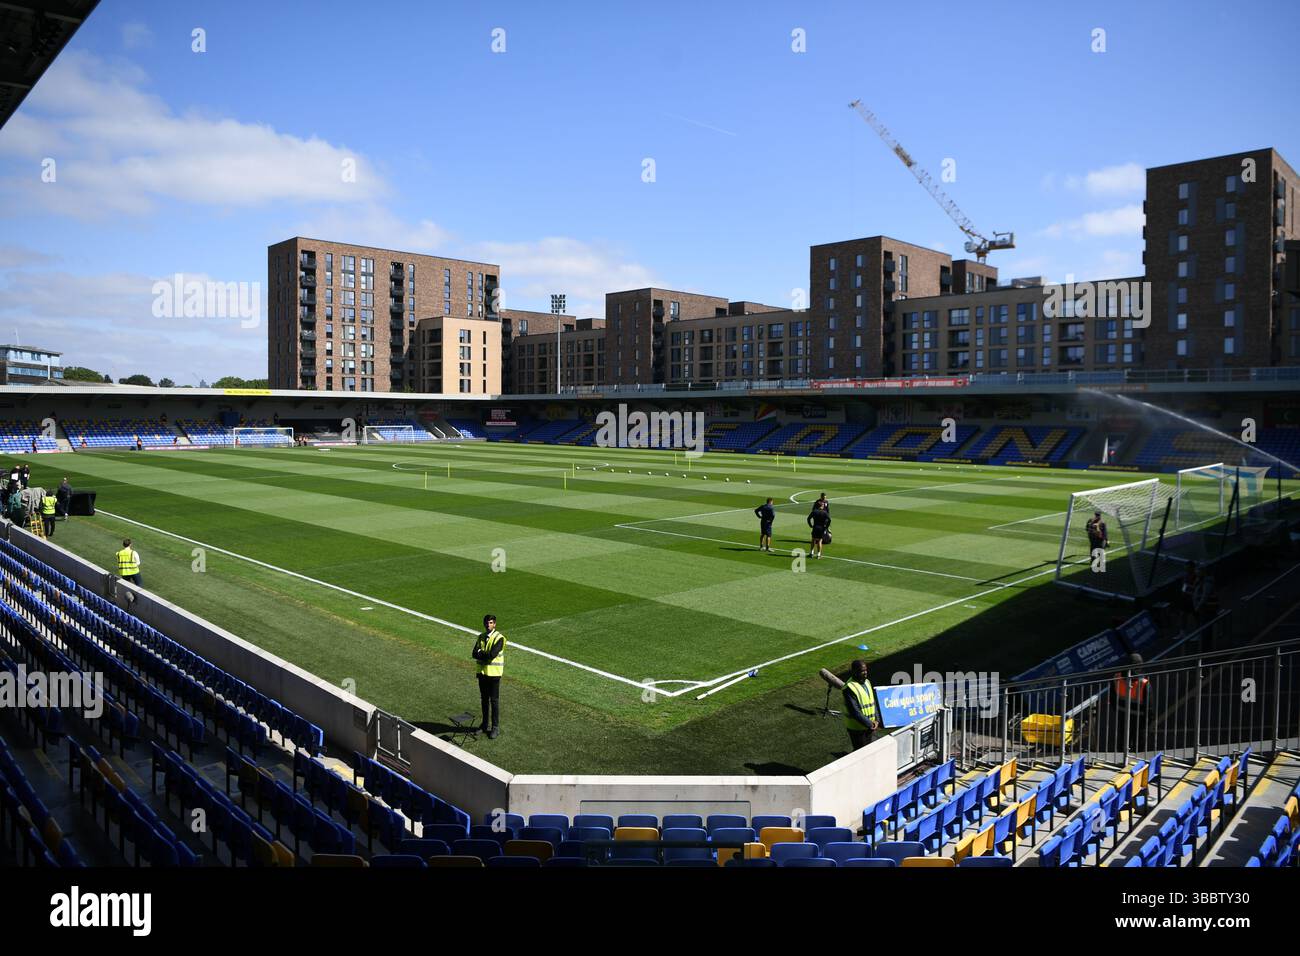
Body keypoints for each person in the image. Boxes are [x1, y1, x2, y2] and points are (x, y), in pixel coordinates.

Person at [471, 614, 505, 738]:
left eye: (490, 623)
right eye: (486, 623)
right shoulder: (481, 637)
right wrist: (483, 653)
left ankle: (495, 727)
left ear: (494, 624)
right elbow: (474, 653)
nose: (488, 625)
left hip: (494, 675)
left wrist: (482, 653)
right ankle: (485, 724)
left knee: (494, 701)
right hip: (482, 674)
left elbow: (492, 654)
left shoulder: (499, 638)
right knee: (484, 700)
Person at [843, 660, 880, 750]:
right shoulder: (849, 688)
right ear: (854, 672)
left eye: (865, 670)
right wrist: (870, 724)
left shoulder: (867, 682)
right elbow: (855, 711)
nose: (865, 673)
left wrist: (877, 719)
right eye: (861, 671)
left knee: (867, 750)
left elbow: (872, 702)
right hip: (857, 729)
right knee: (860, 753)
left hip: (869, 726)